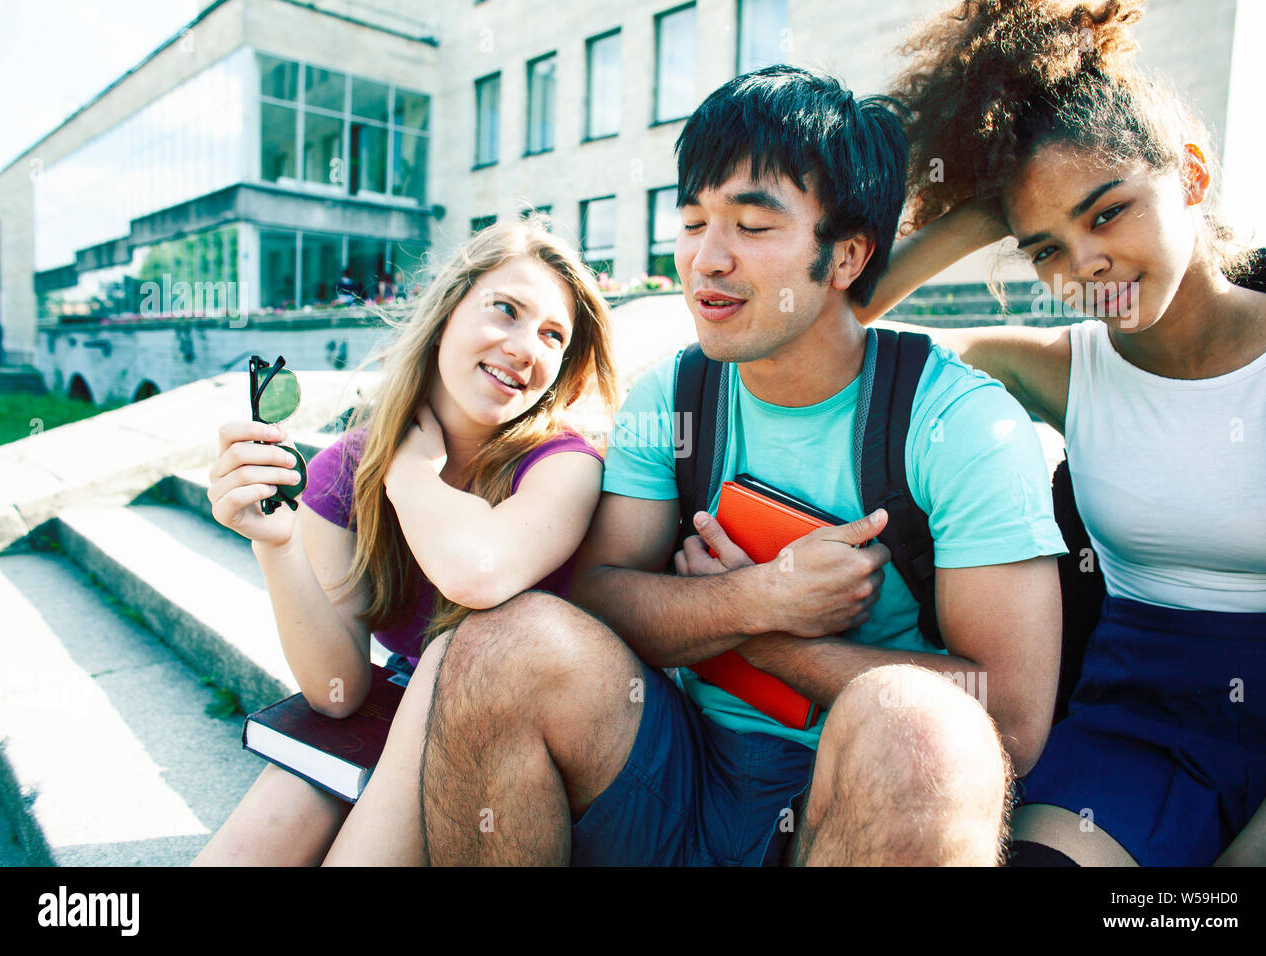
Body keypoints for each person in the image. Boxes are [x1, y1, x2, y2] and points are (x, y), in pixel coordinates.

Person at [414, 66, 1068, 867]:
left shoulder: (959, 424)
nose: (706, 260)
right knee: (501, 644)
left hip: (852, 800)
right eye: (692, 222)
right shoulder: (672, 394)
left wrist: (766, 641)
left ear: (847, 256)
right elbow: (600, 592)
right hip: (678, 771)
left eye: (752, 228)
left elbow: (1014, 719)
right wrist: (761, 597)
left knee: (921, 729)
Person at [863, 0, 1266, 866]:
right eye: (1045, 249)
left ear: (1193, 175)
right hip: (1134, 730)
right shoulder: (1061, 366)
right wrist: (984, 213)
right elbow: (853, 329)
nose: (1083, 266)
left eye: (1106, 213)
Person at [192, 218, 617, 866]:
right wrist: (277, 548)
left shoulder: (564, 465)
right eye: (506, 309)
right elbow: (336, 692)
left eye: (552, 334)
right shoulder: (344, 470)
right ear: (448, 309)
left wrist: (411, 470)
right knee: (274, 820)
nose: (525, 346)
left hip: (523, 745)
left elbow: (474, 572)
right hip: (400, 703)